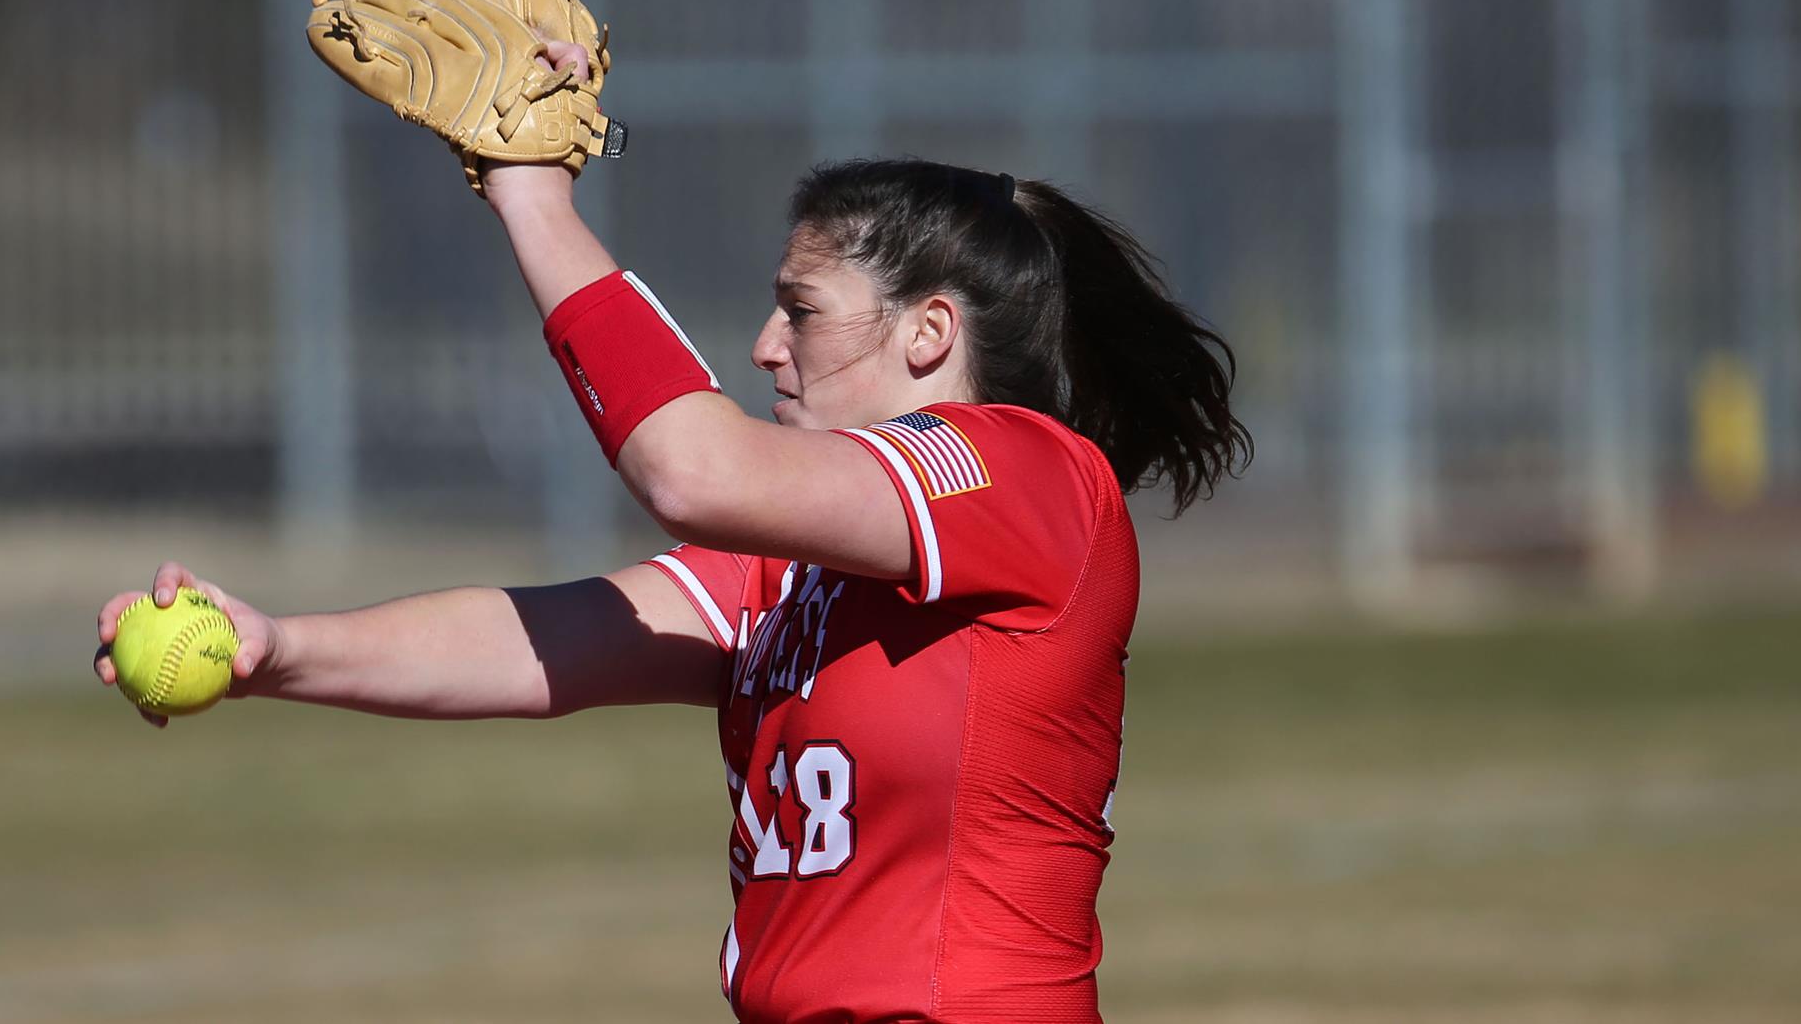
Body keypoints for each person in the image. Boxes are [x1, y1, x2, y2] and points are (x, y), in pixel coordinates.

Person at [94, 100, 1249, 1020]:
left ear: (928, 333)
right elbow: (552, 640)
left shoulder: (1031, 476)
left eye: (800, 310)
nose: (765, 346)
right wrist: (283, 649)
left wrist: (532, 194)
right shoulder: (793, 569)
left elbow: (690, 470)